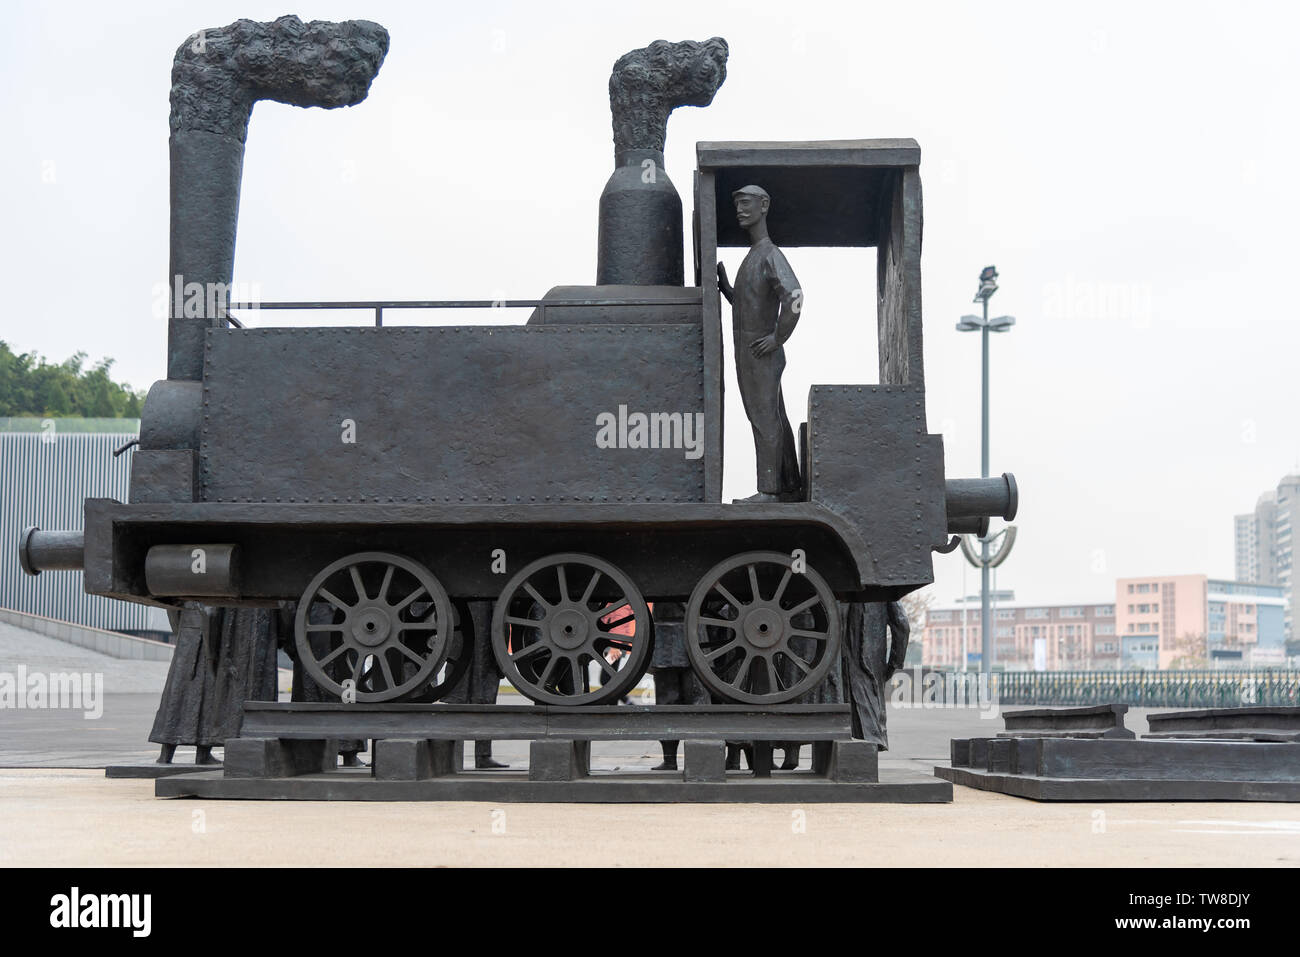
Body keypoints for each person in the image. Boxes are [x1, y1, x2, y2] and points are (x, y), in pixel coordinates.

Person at [717, 185, 803, 502]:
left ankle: (768, 491)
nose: (739, 209)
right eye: (736, 204)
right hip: (753, 353)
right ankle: (789, 483)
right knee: (774, 416)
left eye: (745, 203)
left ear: (764, 205)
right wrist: (727, 289)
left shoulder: (768, 254)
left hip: (760, 353)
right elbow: (751, 303)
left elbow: (794, 296)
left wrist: (777, 338)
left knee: (764, 418)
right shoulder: (754, 256)